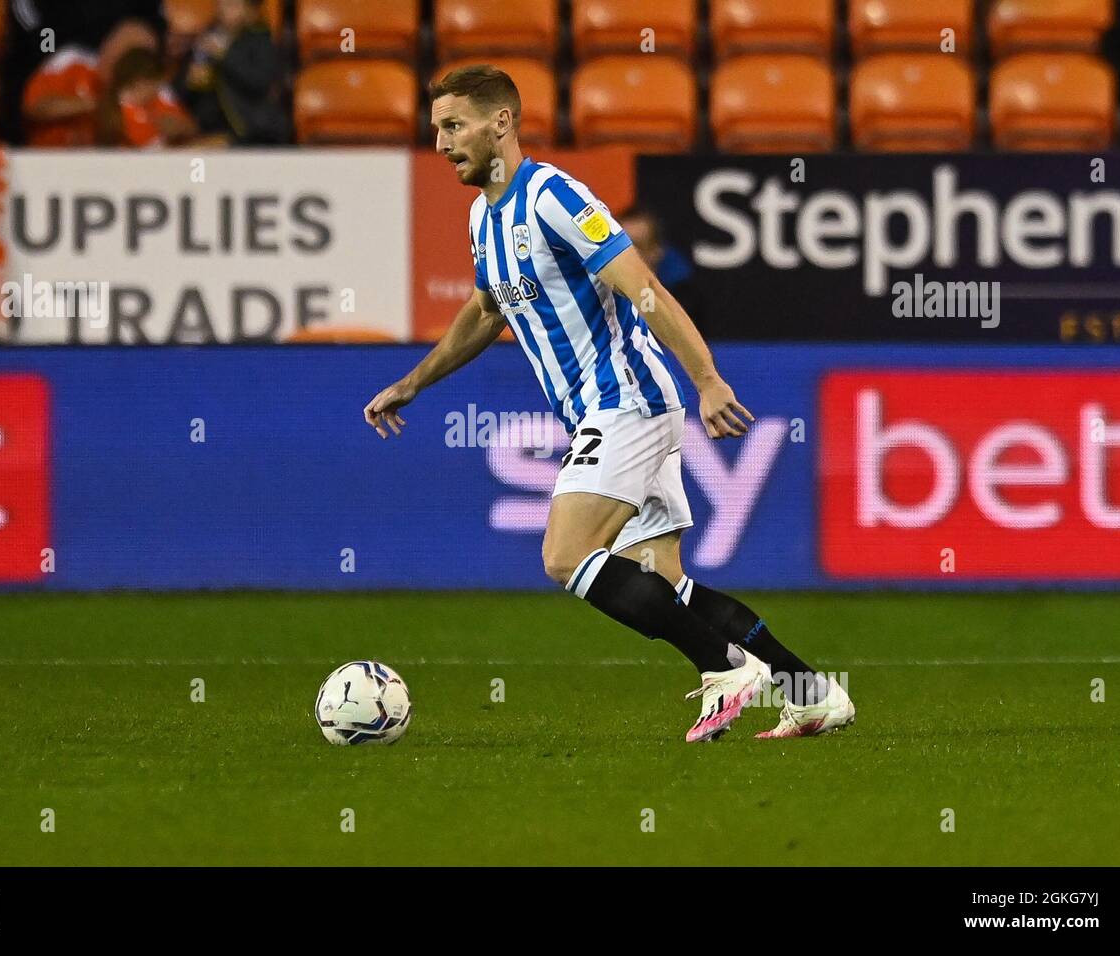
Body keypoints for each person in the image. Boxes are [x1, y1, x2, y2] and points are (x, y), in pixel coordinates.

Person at [364, 66, 855, 741]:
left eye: (454, 126)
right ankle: (812, 693)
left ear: (501, 122)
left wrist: (706, 377)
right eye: (437, 129)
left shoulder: (556, 197)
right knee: (666, 580)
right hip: (613, 410)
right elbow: (484, 312)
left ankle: (723, 667)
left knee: (565, 556)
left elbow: (643, 285)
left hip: (624, 401)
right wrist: (414, 381)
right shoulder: (483, 218)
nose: (442, 142)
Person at [20, 19, 160, 147]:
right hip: (46, 163)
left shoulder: (152, 88)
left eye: (129, 57)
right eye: (115, 46)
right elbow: (33, 106)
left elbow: (176, 128)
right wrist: (97, 105)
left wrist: (138, 117)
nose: (116, 57)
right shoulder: (72, 60)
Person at [176, 0, 283, 145]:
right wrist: (190, 79)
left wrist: (225, 55)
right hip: (205, 126)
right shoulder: (207, 39)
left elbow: (260, 83)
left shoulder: (259, 40)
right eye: (220, 4)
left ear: (248, 10)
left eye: (231, 4)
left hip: (247, 130)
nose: (222, 10)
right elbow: (181, 92)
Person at [618, 206, 713, 335]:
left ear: (657, 251)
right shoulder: (595, 293)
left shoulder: (685, 302)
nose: (625, 255)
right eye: (619, 247)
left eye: (638, 246)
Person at [98, 46, 196, 147]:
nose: (158, 90)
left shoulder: (156, 100)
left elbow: (192, 127)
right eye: (156, 84)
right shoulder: (116, 118)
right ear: (140, 83)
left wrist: (182, 127)